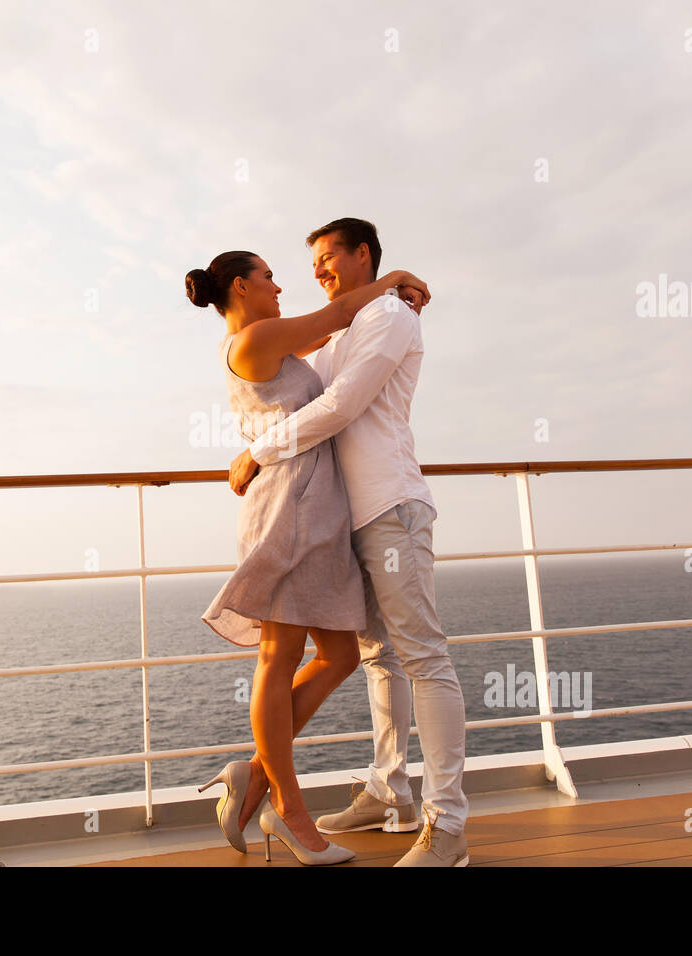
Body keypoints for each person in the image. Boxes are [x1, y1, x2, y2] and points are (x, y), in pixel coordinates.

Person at [228, 218, 470, 867]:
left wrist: (258, 451)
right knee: (377, 658)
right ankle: (391, 792)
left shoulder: (390, 315)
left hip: (392, 508)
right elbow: (301, 382)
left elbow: (340, 406)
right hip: (349, 521)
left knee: (422, 658)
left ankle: (448, 829)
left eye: (329, 255)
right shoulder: (343, 327)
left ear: (364, 254)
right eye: (311, 262)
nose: (319, 269)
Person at [188, 250, 429, 865]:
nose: (278, 285)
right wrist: (394, 279)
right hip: (289, 502)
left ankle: (254, 776)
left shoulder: (275, 340)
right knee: (280, 654)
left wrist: (384, 303)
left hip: (318, 504)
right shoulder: (254, 337)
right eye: (268, 276)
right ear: (241, 286)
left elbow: (340, 324)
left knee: (341, 653)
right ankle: (290, 812)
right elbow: (343, 309)